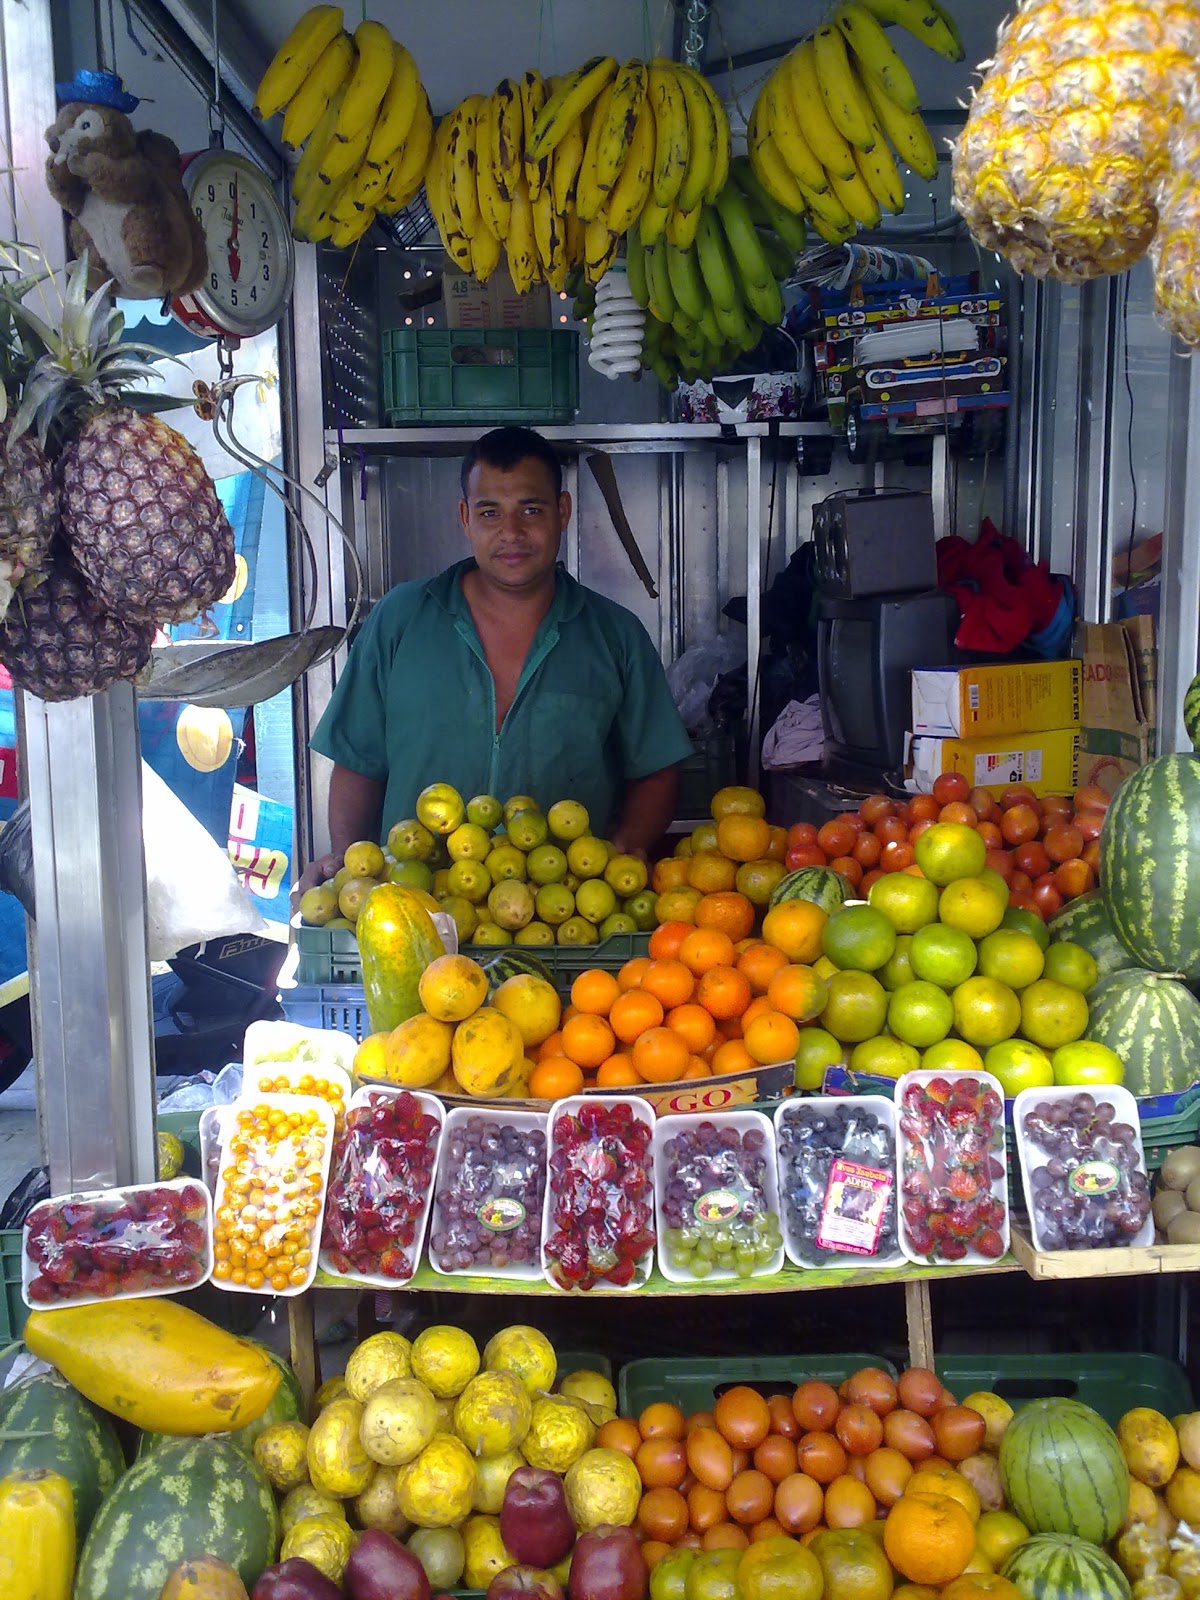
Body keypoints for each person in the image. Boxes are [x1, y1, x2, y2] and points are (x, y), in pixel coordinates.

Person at [302, 425, 692, 886]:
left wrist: (625, 854)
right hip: (414, 904)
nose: (512, 532)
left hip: (563, 918)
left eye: (531, 509)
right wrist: (348, 861)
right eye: (490, 512)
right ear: (465, 517)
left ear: (562, 512)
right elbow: (357, 761)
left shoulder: (616, 635)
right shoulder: (400, 619)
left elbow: (656, 768)